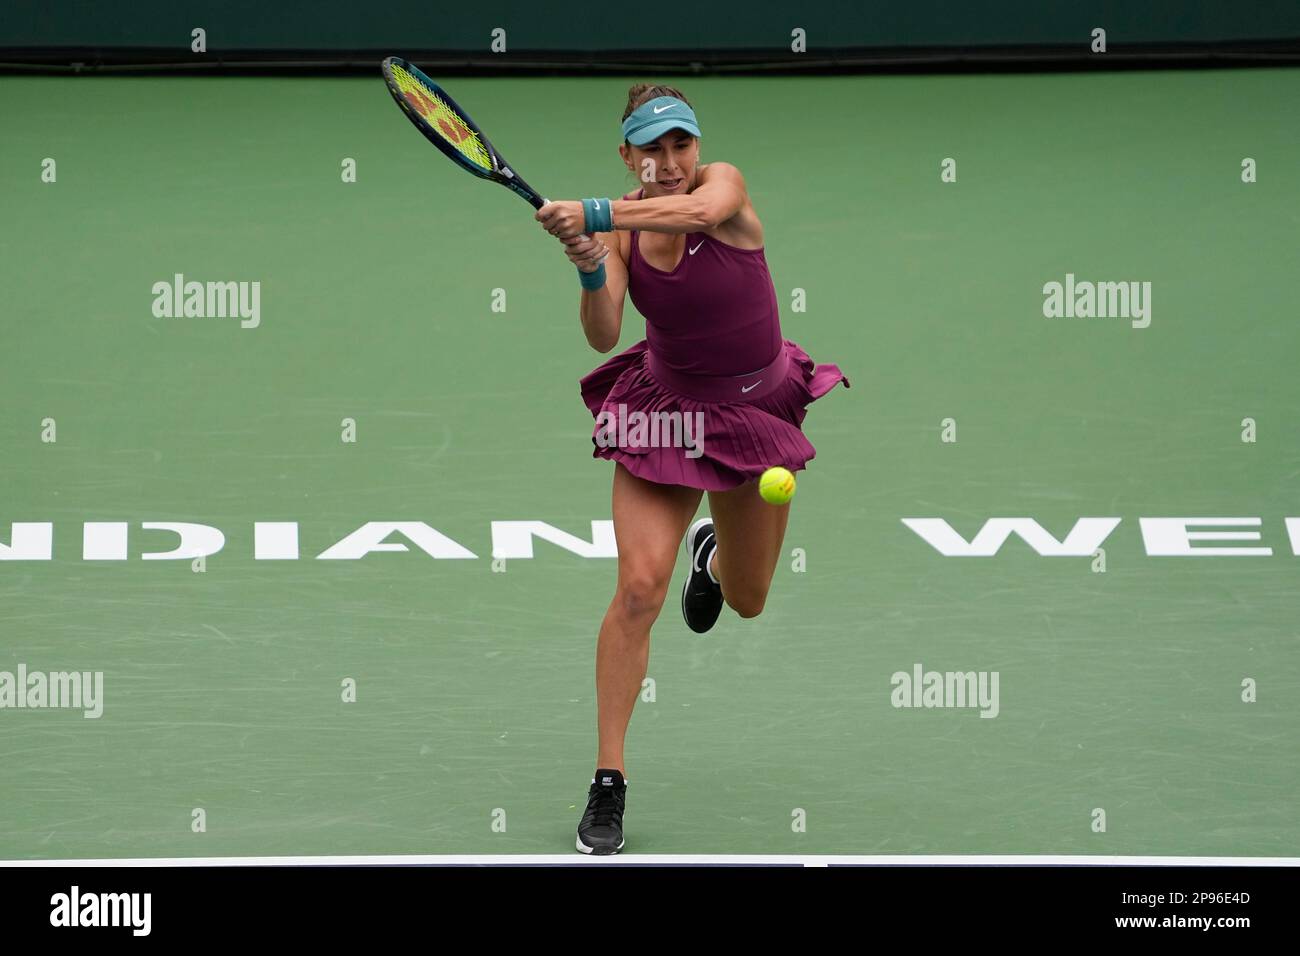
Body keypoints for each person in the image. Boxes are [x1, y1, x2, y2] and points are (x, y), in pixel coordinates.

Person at [535, 83, 849, 855]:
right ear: (628, 155)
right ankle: (608, 782)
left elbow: (702, 215)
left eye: (681, 144)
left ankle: (711, 553)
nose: (669, 162)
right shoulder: (616, 227)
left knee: (747, 601)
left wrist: (597, 215)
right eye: (651, 148)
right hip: (664, 409)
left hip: (755, 411)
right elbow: (603, 332)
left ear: (698, 148)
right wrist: (586, 261)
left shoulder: (724, 189)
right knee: (639, 589)